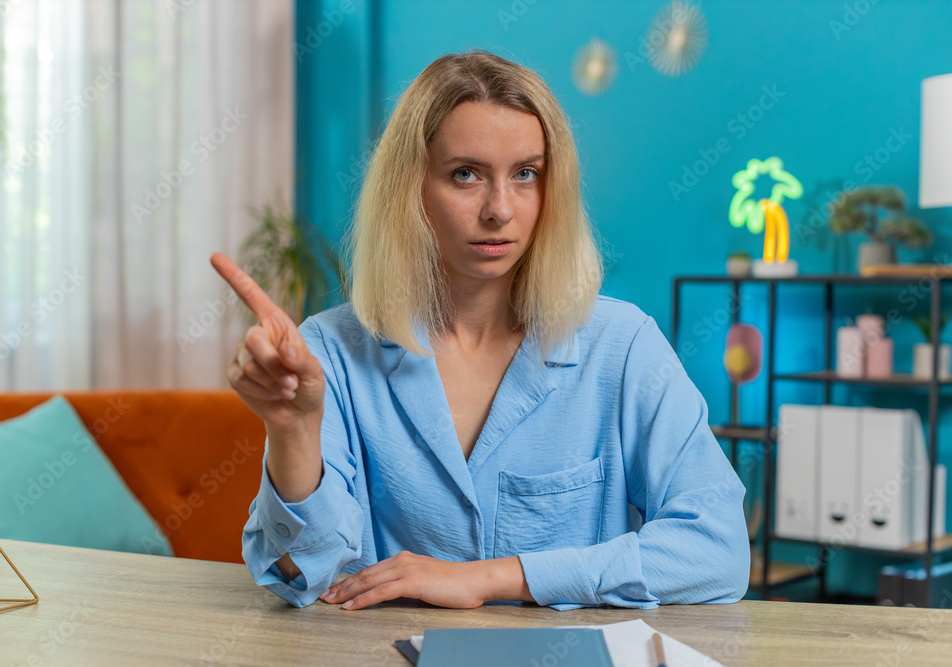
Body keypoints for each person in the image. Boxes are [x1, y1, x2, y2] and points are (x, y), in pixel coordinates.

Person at [211, 49, 749, 612]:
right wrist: (293, 429)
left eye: (525, 175)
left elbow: (718, 550)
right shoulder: (332, 350)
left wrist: (498, 577)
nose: (499, 209)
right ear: (410, 187)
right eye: (465, 174)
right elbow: (304, 575)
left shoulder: (623, 344)